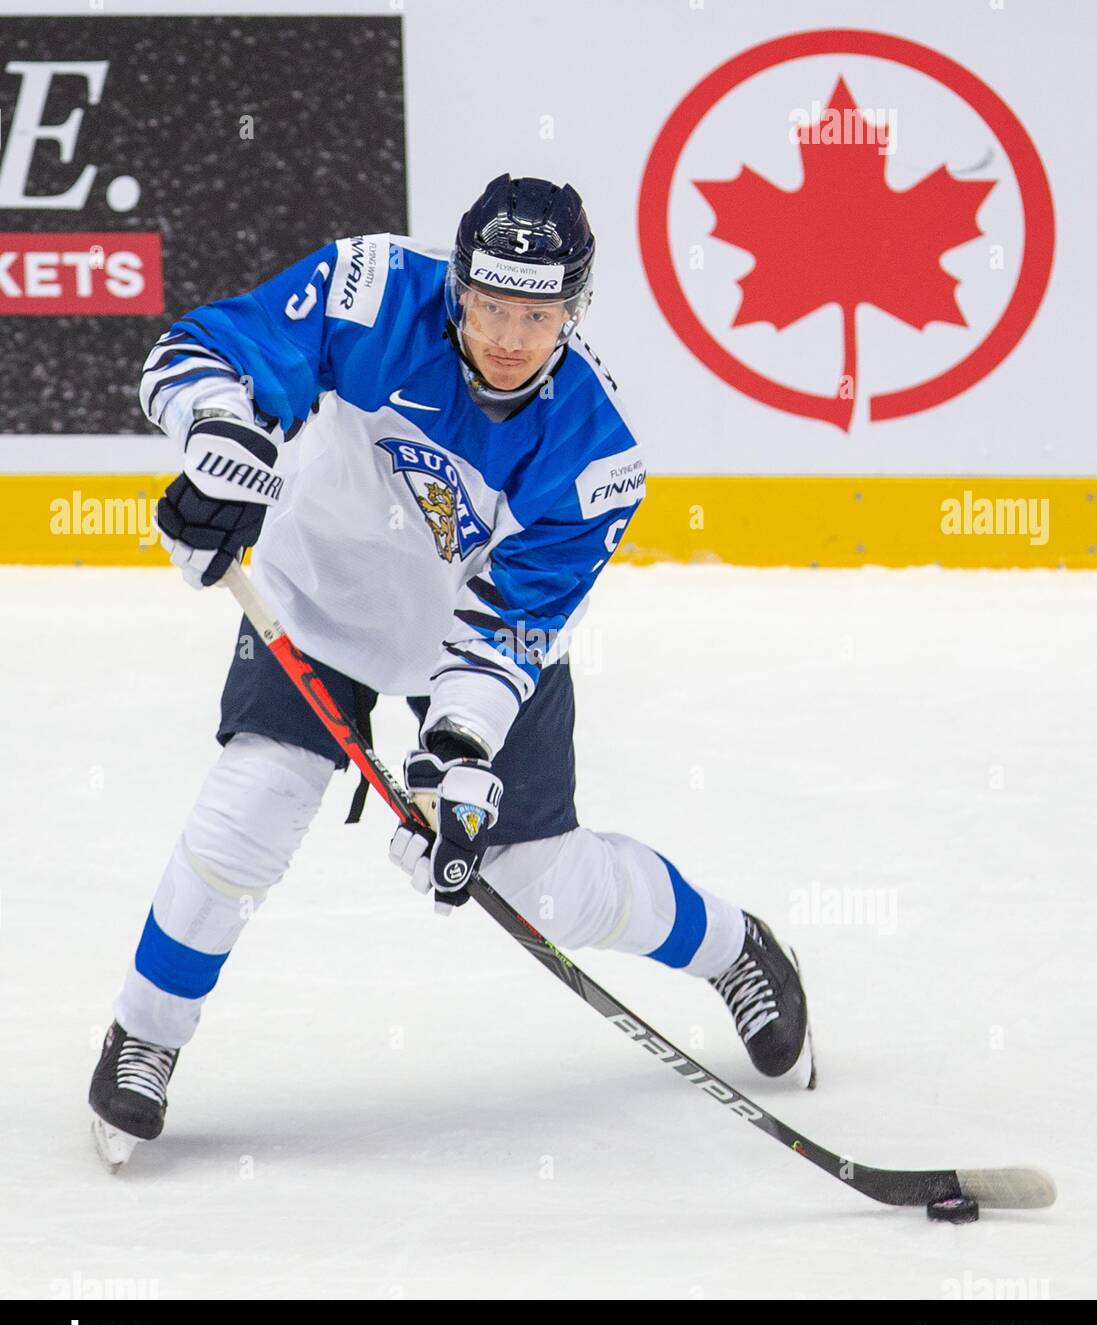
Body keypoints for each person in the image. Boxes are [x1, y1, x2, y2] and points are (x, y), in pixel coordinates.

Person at [89, 174, 814, 1167]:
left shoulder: (595, 449)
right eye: (488, 306)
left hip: (467, 649)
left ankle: (733, 945)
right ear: (457, 288)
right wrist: (220, 438)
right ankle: (146, 1033)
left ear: (573, 310)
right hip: (317, 600)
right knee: (252, 799)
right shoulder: (371, 287)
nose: (509, 336)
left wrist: (458, 756)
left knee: (540, 886)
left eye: (537, 313)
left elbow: (514, 622)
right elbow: (211, 349)